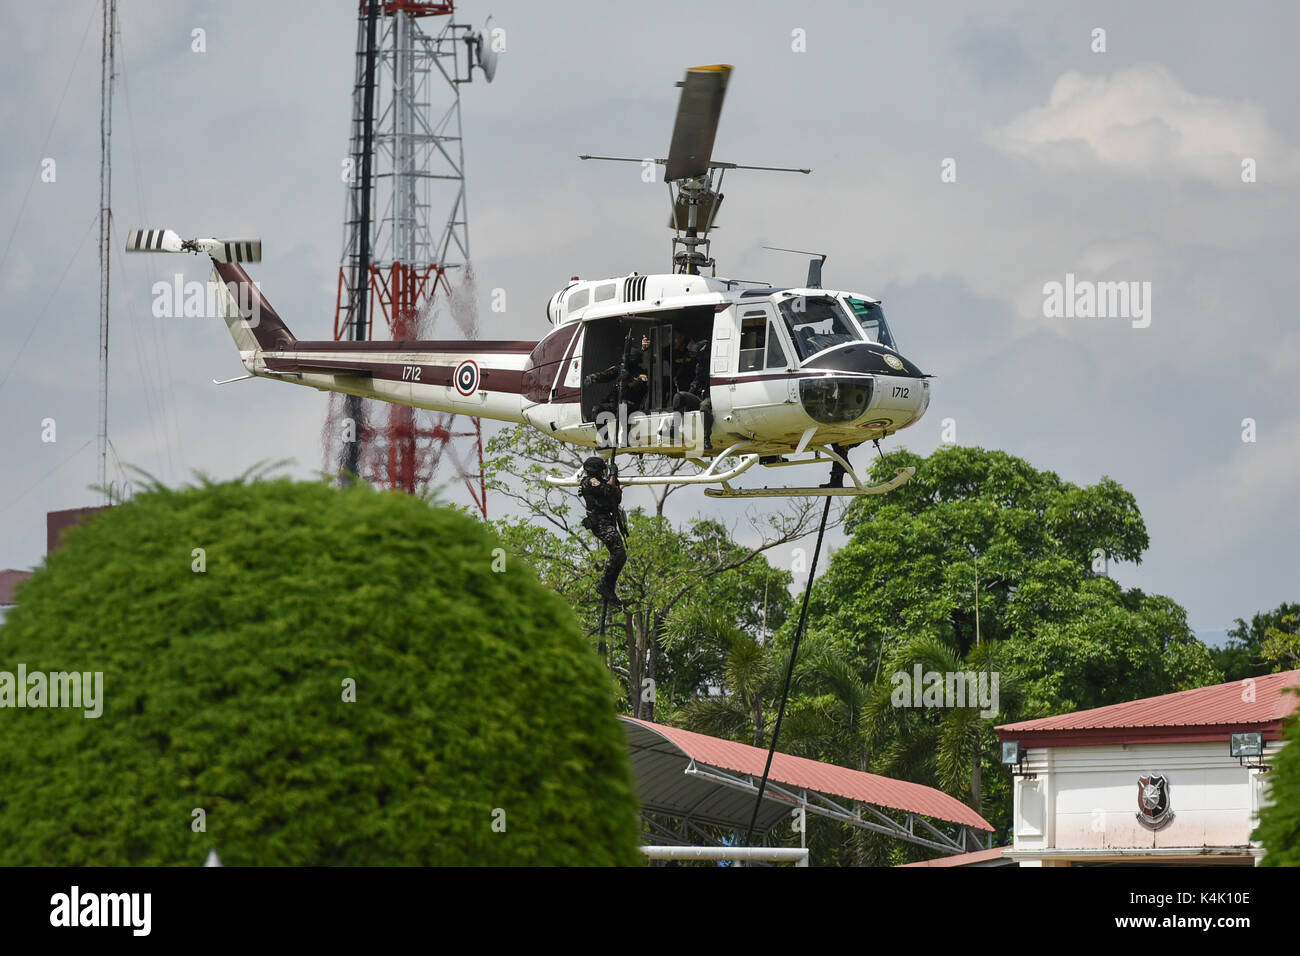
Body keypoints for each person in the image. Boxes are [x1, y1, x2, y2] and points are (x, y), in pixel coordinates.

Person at [577, 456, 627, 604]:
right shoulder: (590, 482)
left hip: (607, 521)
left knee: (620, 555)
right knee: (618, 553)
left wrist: (615, 483)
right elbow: (606, 490)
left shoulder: (600, 482)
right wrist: (613, 475)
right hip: (600, 522)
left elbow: (615, 497)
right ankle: (605, 585)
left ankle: (609, 587)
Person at [587, 333, 651, 446]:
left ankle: (624, 440)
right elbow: (606, 374)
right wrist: (593, 377)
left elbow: (642, 382)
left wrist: (630, 378)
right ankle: (606, 442)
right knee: (597, 409)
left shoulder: (641, 373)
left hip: (632, 406)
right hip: (616, 404)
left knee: (624, 408)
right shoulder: (620, 369)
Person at [667, 337, 713, 451]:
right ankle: (674, 428)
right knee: (679, 396)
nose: (696, 358)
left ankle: (706, 438)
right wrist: (688, 397)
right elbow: (695, 383)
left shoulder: (714, 364)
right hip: (702, 396)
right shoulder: (699, 366)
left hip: (713, 396)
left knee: (704, 406)